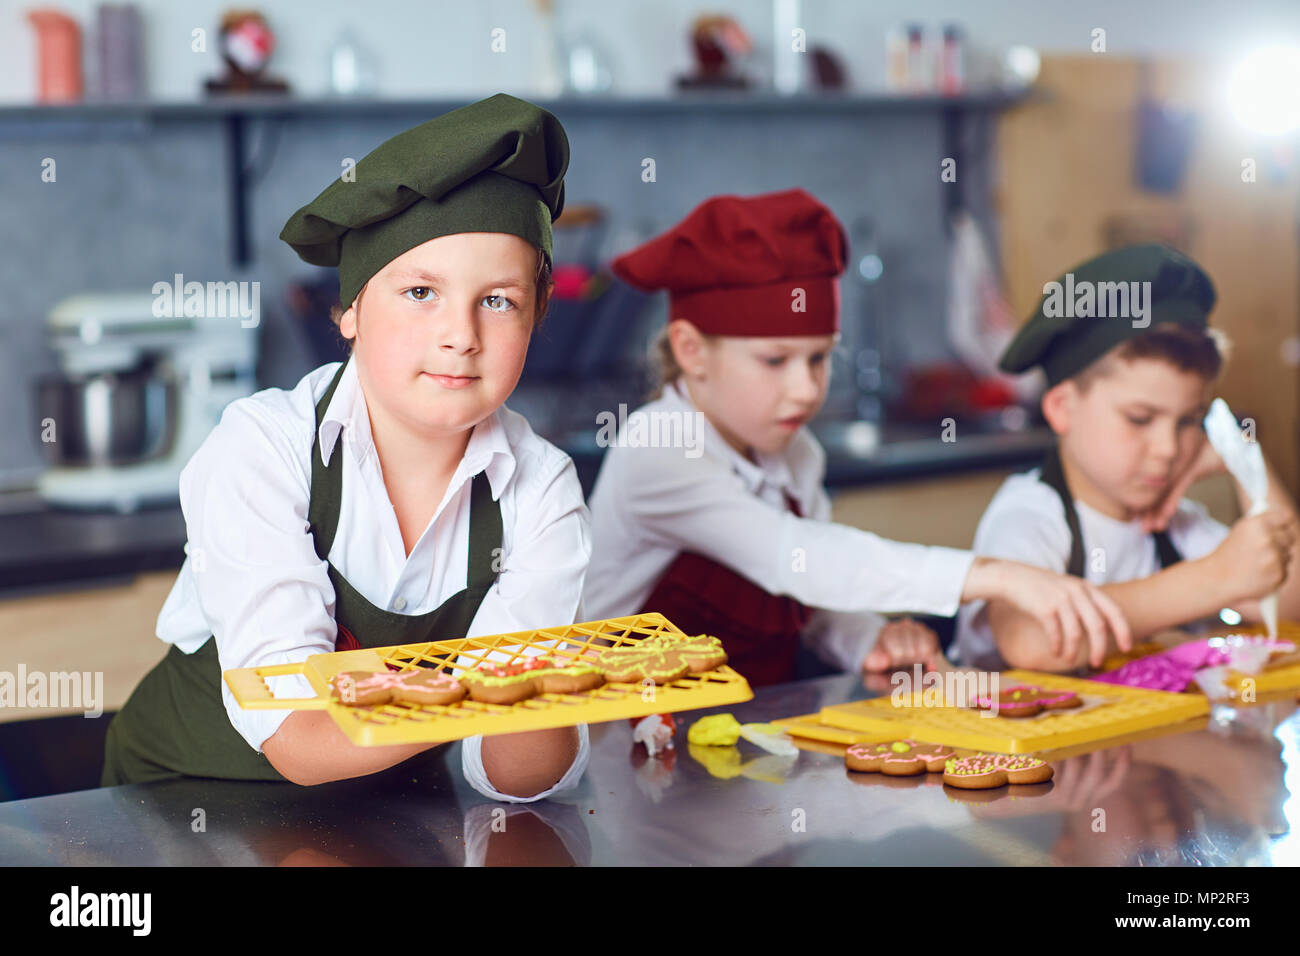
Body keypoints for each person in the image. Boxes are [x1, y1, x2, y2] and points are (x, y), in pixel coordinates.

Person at [102, 94, 591, 801]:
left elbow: (508, 776)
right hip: (181, 809)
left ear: (538, 315)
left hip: (383, 813)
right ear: (351, 309)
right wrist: (490, 684)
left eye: (498, 301)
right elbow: (297, 734)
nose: (460, 334)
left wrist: (555, 697)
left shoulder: (542, 490)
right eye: (421, 291)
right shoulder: (264, 448)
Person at [583, 189, 1130, 687]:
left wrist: (869, 638)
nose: (805, 389)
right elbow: (794, 555)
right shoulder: (658, 448)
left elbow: (805, 593)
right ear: (691, 350)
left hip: (739, 742)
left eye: (819, 358)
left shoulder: (795, 453)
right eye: (775, 360)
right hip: (627, 737)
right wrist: (993, 574)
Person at [953, 243, 1300, 672]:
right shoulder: (1030, 515)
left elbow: (1289, 600)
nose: (1169, 448)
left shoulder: (1174, 524)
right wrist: (1218, 578)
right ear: (1062, 407)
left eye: (1189, 420)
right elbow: (1032, 640)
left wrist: (1245, 460)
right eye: (1140, 418)